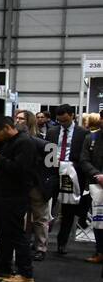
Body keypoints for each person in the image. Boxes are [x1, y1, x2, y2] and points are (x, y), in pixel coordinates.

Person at [0, 116, 37, 282]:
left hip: (15, 196)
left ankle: (26, 274)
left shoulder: (24, 143)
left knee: (17, 234)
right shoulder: (10, 142)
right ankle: (3, 268)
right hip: (4, 195)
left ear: (6, 127)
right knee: (4, 234)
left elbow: (22, 171)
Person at [44, 104, 89, 256]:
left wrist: (71, 166)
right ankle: (41, 241)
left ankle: (62, 243)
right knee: (47, 206)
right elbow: (47, 156)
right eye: (59, 121)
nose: (62, 123)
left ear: (72, 116)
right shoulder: (52, 132)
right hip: (54, 173)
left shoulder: (83, 133)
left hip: (71, 175)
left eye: (65, 121)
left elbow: (84, 157)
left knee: (68, 210)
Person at [14, 109, 52, 260]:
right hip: (20, 184)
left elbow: (52, 164)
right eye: (16, 118)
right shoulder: (14, 139)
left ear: (28, 121)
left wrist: (47, 183)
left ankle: (41, 248)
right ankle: (23, 244)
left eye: (21, 119)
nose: (17, 121)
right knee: (21, 218)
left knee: (40, 218)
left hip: (36, 185)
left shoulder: (40, 141)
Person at [79, 119, 103, 263]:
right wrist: (97, 175)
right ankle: (100, 251)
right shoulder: (91, 138)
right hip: (96, 185)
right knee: (99, 220)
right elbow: (84, 160)